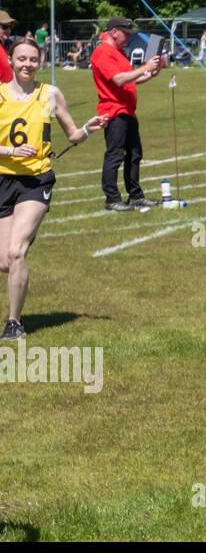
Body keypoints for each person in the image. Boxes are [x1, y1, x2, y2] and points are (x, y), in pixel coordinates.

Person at [0, 39, 107, 340]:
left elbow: (72, 134)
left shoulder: (50, 94)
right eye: (21, 58)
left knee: (16, 252)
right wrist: (9, 151)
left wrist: (87, 129)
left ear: (41, 61)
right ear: (10, 60)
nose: (27, 64)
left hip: (37, 180)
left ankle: (14, 323)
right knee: (5, 262)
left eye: (33, 59)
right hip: (3, 180)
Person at [92, 18, 163, 212]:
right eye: (127, 33)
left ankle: (135, 196)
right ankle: (112, 199)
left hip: (127, 110)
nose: (130, 37)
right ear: (114, 32)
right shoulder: (103, 52)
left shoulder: (119, 52)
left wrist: (151, 73)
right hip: (114, 111)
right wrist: (145, 68)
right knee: (115, 155)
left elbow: (132, 79)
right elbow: (119, 79)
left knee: (134, 155)